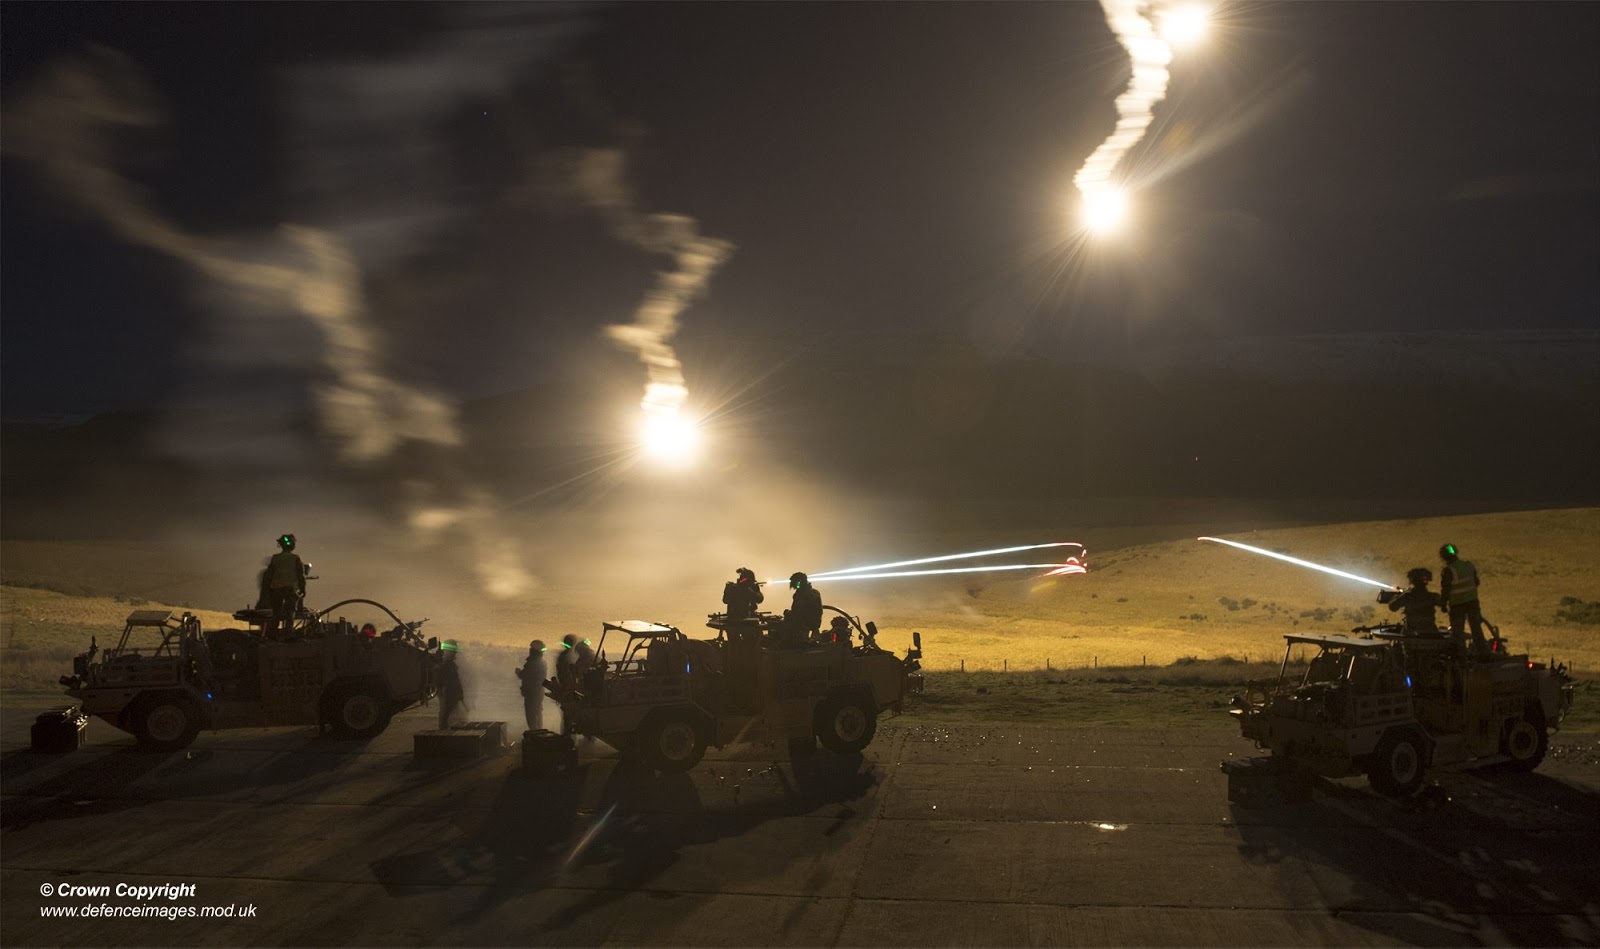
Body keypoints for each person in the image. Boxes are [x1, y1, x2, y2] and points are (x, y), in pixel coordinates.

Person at [1439, 543, 1488, 656]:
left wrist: (1443, 604)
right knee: (1476, 630)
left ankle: (1461, 657)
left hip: (1457, 605)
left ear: (1444, 557)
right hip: (1473, 603)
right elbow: (1476, 582)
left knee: (1458, 633)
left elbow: (1446, 590)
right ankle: (1484, 654)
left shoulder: (1448, 570)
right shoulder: (1468, 565)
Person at [263, 533, 306, 639]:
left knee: (276, 612)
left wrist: (268, 591)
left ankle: (273, 633)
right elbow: (301, 576)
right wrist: (303, 589)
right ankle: (289, 633)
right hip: (290, 589)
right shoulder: (295, 558)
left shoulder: (275, 558)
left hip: (276, 589)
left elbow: (269, 575)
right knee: (290, 611)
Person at [1383, 567, 1442, 636]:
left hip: (1411, 634)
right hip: (1429, 633)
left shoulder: (1407, 596)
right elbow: (1442, 603)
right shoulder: (1432, 596)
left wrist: (1396, 596)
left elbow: (1392, 607)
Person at [778, 572, 823, 647]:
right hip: (814, 624)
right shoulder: (815, 592)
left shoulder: (801, 594)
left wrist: (787, 613)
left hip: (801, 626)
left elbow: (798, 613)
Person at [517, 640, 547, 733]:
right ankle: (538, 732)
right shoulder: (541, 662)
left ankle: (535, 733)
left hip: (531, 693)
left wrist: (518, 672)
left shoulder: (532, 662)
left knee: (532, 715)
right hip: (538, 692)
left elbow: (526, 675)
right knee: (537, 713)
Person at [437, 641, 466, 729]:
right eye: (453, 651)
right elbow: (452, 681)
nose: (455, 653)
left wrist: (459, 693)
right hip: (449, 693)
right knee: (447, 715)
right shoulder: (447, 666)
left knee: (449, 715)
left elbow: (455, 681)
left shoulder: (448, 665)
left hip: (451, 693)